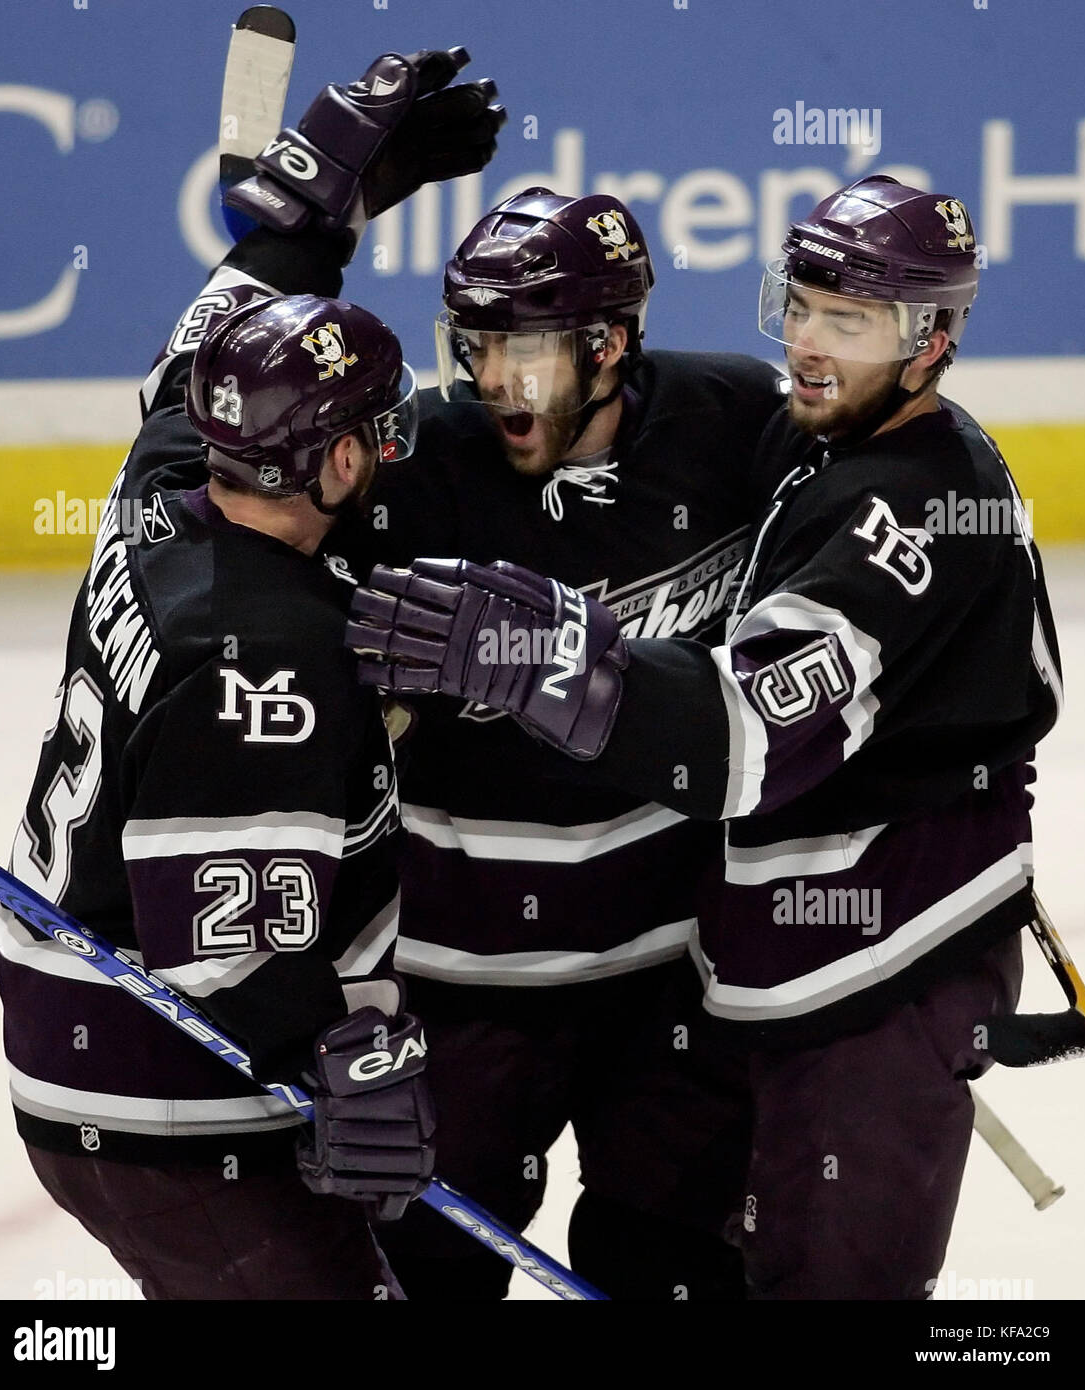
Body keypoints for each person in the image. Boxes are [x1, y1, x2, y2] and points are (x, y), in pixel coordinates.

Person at [346, 175, 1064, 1299]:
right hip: (635, 981)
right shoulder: (793, 444)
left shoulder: (878, 495)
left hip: (843, 975)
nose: (812, 347)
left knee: (778, 1276)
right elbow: (225, 475)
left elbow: (741, 740)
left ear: (930, 341)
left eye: (852, 321)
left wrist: (542, 659)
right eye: (804, 306)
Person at [0, 46, 503, 1301]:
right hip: (167, 1102)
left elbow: (202, 348)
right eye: (375, 432)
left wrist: (303, 223)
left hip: (85, 1044)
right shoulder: (270, 660)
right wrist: (345, 1059)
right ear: (328, 467)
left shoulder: (162, 487)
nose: (396, 447)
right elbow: (219, 944)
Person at [360, 187, 787, 1299]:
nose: (492, 376)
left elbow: (892, 513)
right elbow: (206, 509)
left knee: (679, 1268)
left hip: (671, 983)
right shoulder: (410, 472)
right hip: (458, 989)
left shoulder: (734, 420)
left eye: (525, 348)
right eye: (476, 343)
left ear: (609, 343)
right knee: (425, 1274)